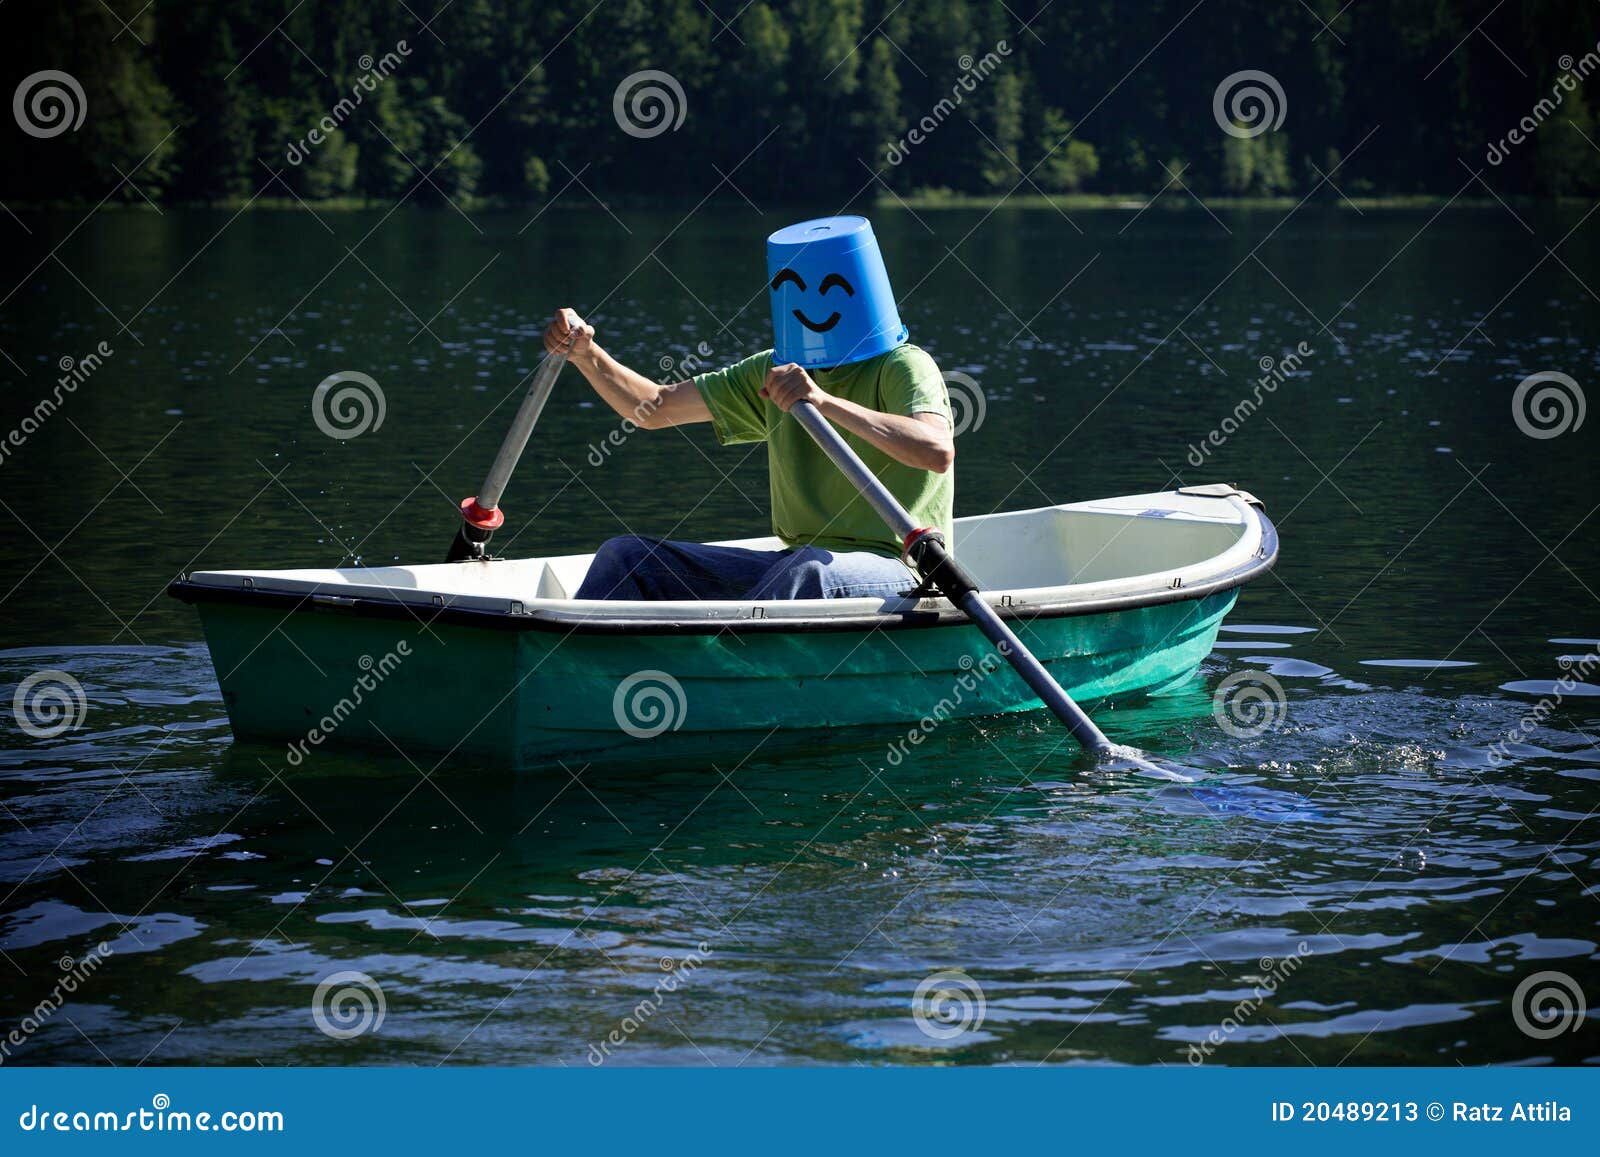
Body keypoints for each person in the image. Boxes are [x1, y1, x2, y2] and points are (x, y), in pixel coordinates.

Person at [548, 215, 954, 601]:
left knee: (802, 573)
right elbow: (654, 407)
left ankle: (724, 666)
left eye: (830, 288)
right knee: (628, 559)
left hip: (904, 566)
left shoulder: (902, 365)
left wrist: (824, 402)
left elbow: (935, 451)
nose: (811, 303)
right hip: (796, 563)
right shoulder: (773, 371)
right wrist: (586, 355)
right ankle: (583, 666)